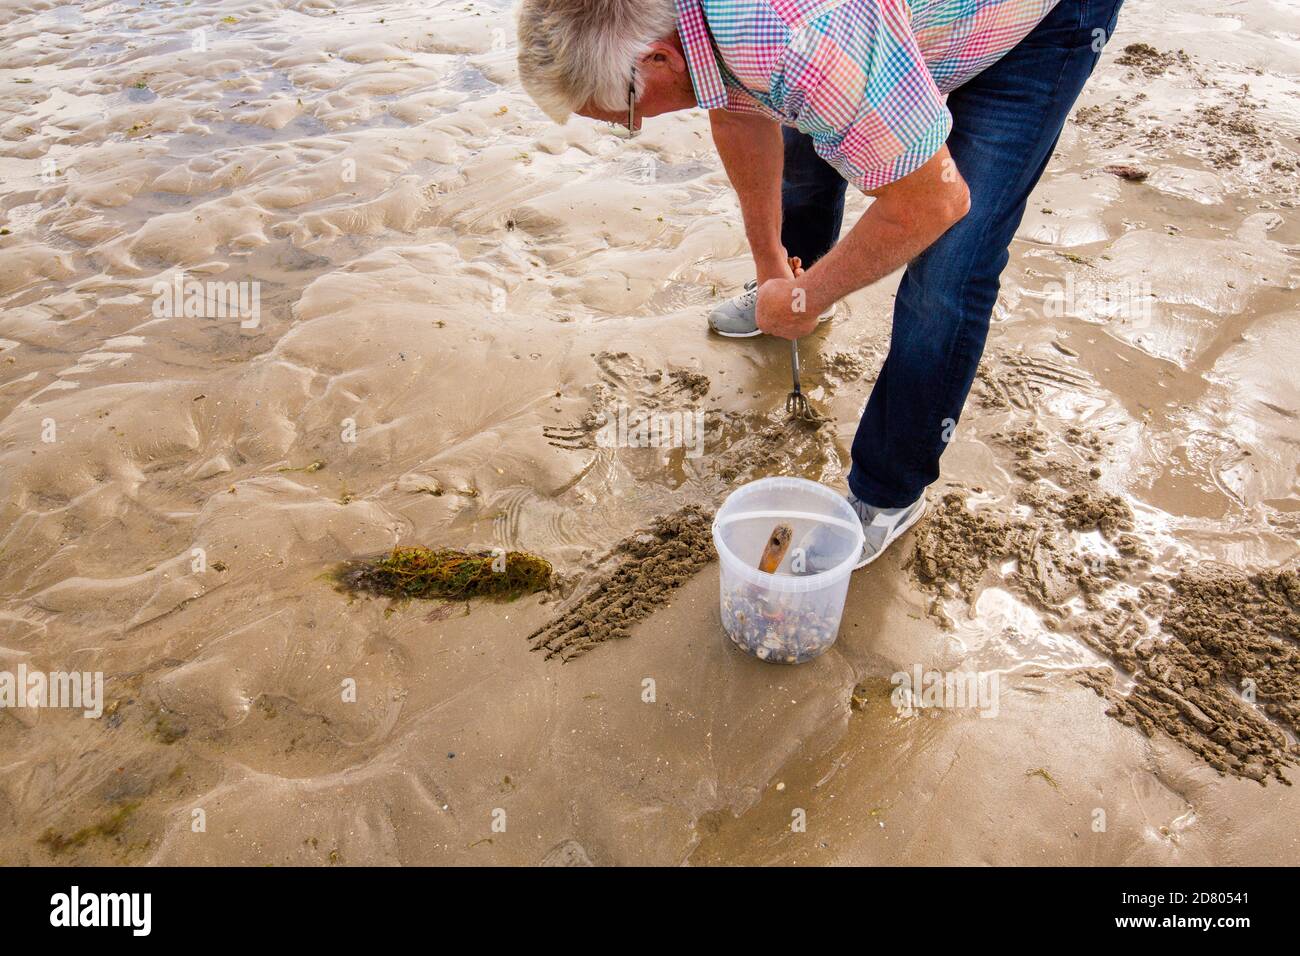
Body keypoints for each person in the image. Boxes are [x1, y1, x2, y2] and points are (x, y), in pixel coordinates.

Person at [516, 0, 1124, 566]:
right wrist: (772, 268)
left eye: (627, 115)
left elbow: (934, 199)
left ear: (659, 57)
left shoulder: (798, 44)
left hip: (1032, 23)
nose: (636, 125)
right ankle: (791, 297)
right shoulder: (709, 35)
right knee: (806, 152)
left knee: (950, 269)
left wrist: (813, 293)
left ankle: (890, 492)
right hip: (881, 32)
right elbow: (736, 107)